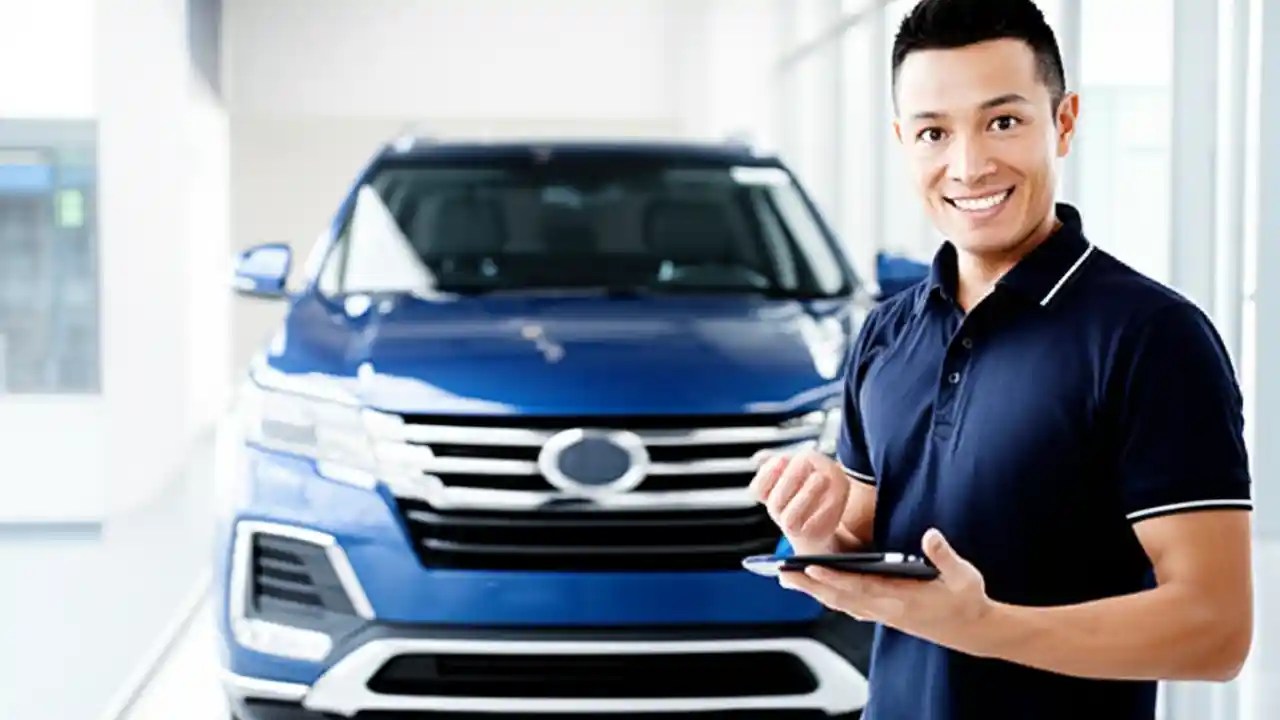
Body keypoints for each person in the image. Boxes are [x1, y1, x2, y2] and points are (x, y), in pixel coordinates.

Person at [748, 0, 1254, 718]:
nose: (969, 164)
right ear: (904, 141)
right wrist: (818, 536)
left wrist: (988, 629)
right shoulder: (886, 335)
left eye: (1003, 121)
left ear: (1065, 122)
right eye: (933, 132)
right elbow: (873, 562)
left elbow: (1215, 631)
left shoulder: (1152, 337)